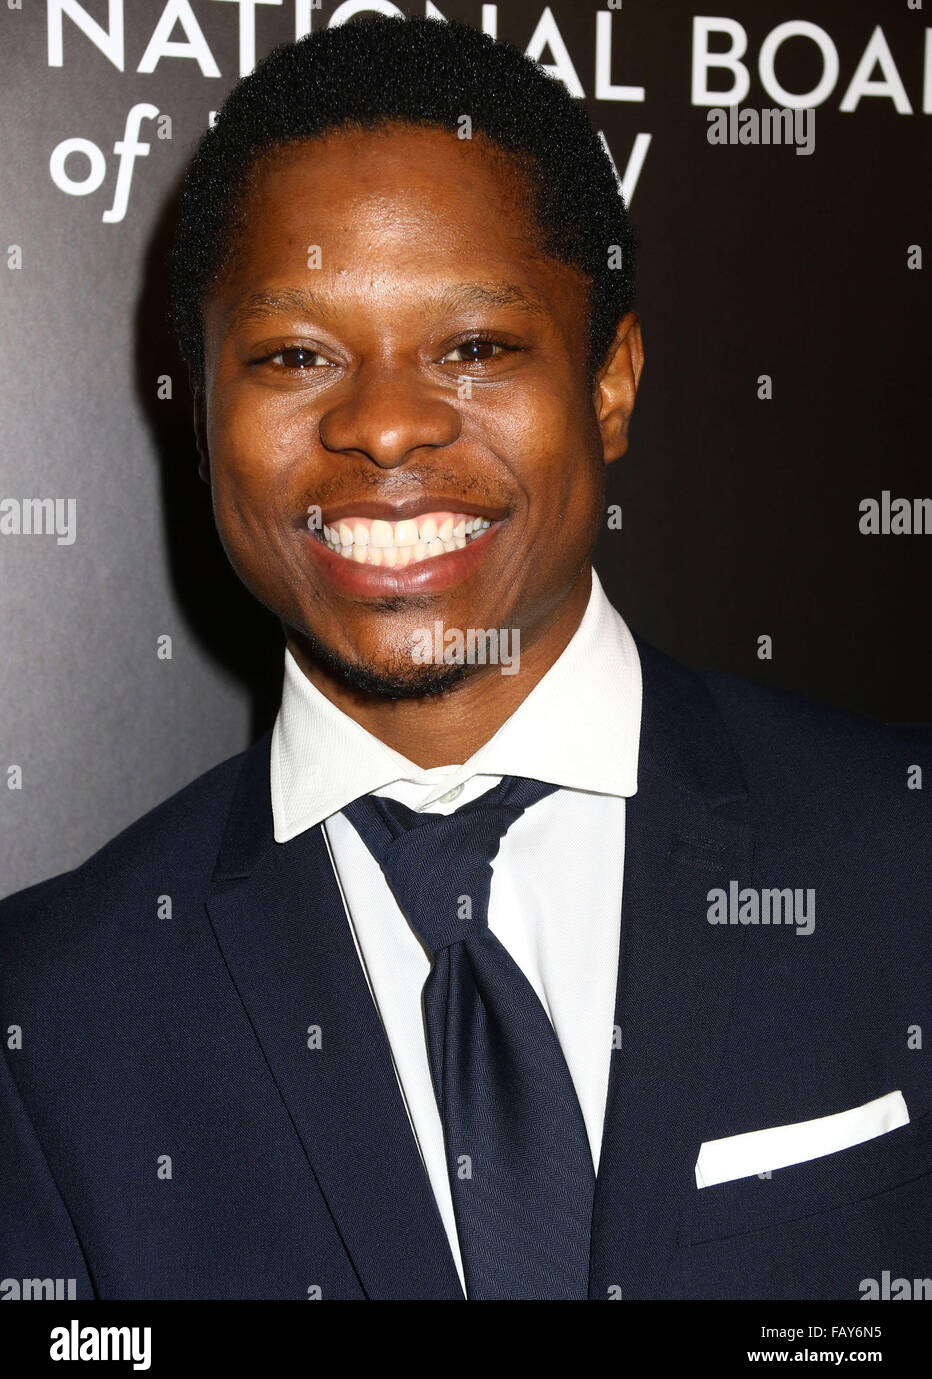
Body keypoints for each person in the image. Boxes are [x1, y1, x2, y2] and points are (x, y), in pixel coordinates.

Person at [1, 17, 929, 1302]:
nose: (383, 425)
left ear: (609, 378)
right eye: (292, 356)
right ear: (202, 414)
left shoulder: (900, 857)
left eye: (476, 347)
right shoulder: (48, 1017)